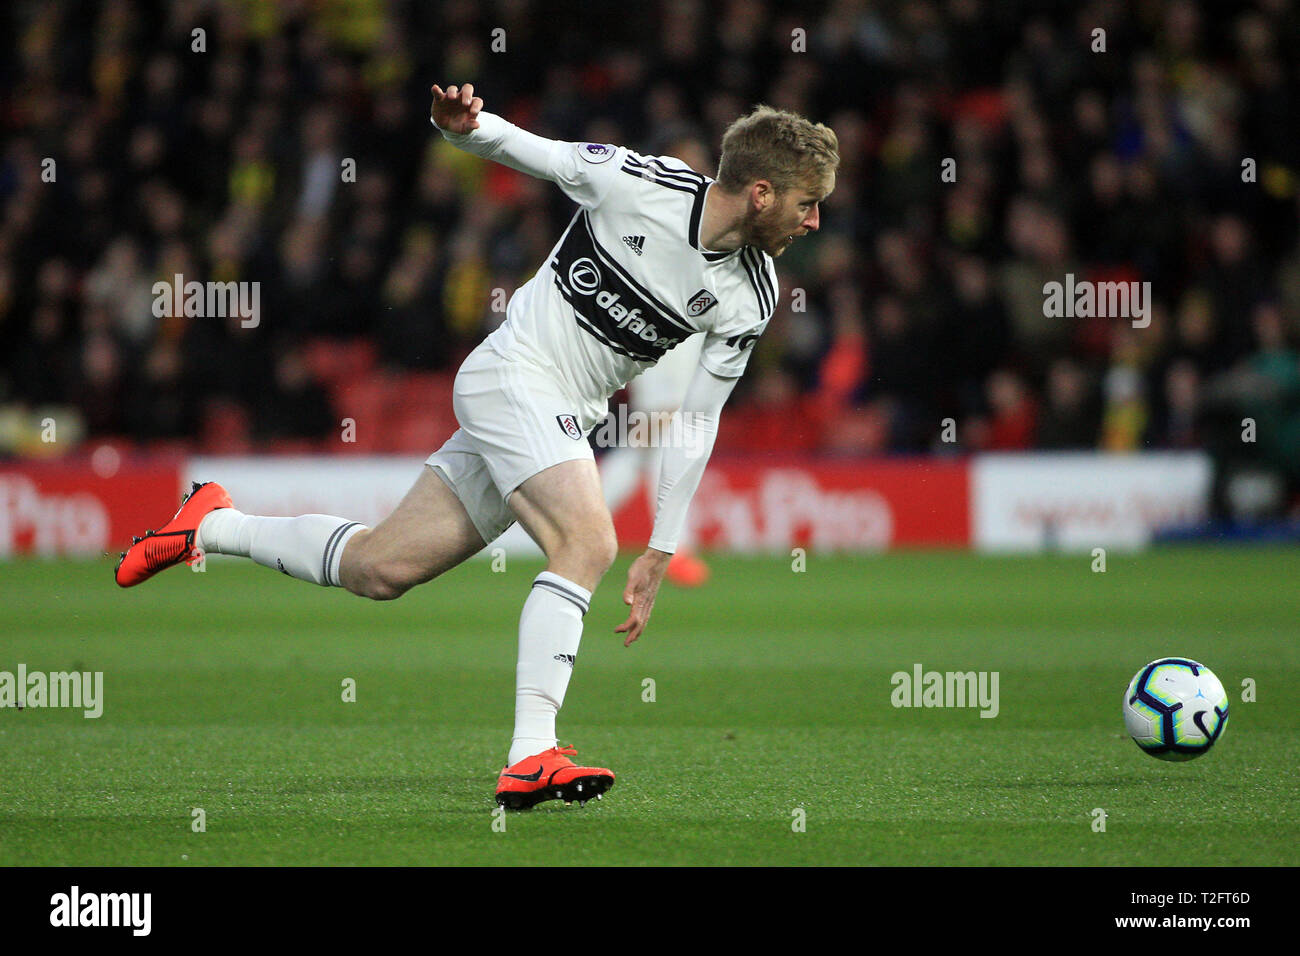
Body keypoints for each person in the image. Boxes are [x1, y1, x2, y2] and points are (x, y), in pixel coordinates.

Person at [115, 82, 839, 809]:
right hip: (512, 376)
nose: (814, 221)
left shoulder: (754, 292)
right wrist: (464, 125)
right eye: (808, 203)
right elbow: (527, 151)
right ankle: (532, 753)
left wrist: (665, 543)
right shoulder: (635, 184)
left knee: (380, 568)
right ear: (760, 192)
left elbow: (698, 418)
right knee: (586, 542)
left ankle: (207, 523)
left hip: (559, 414)